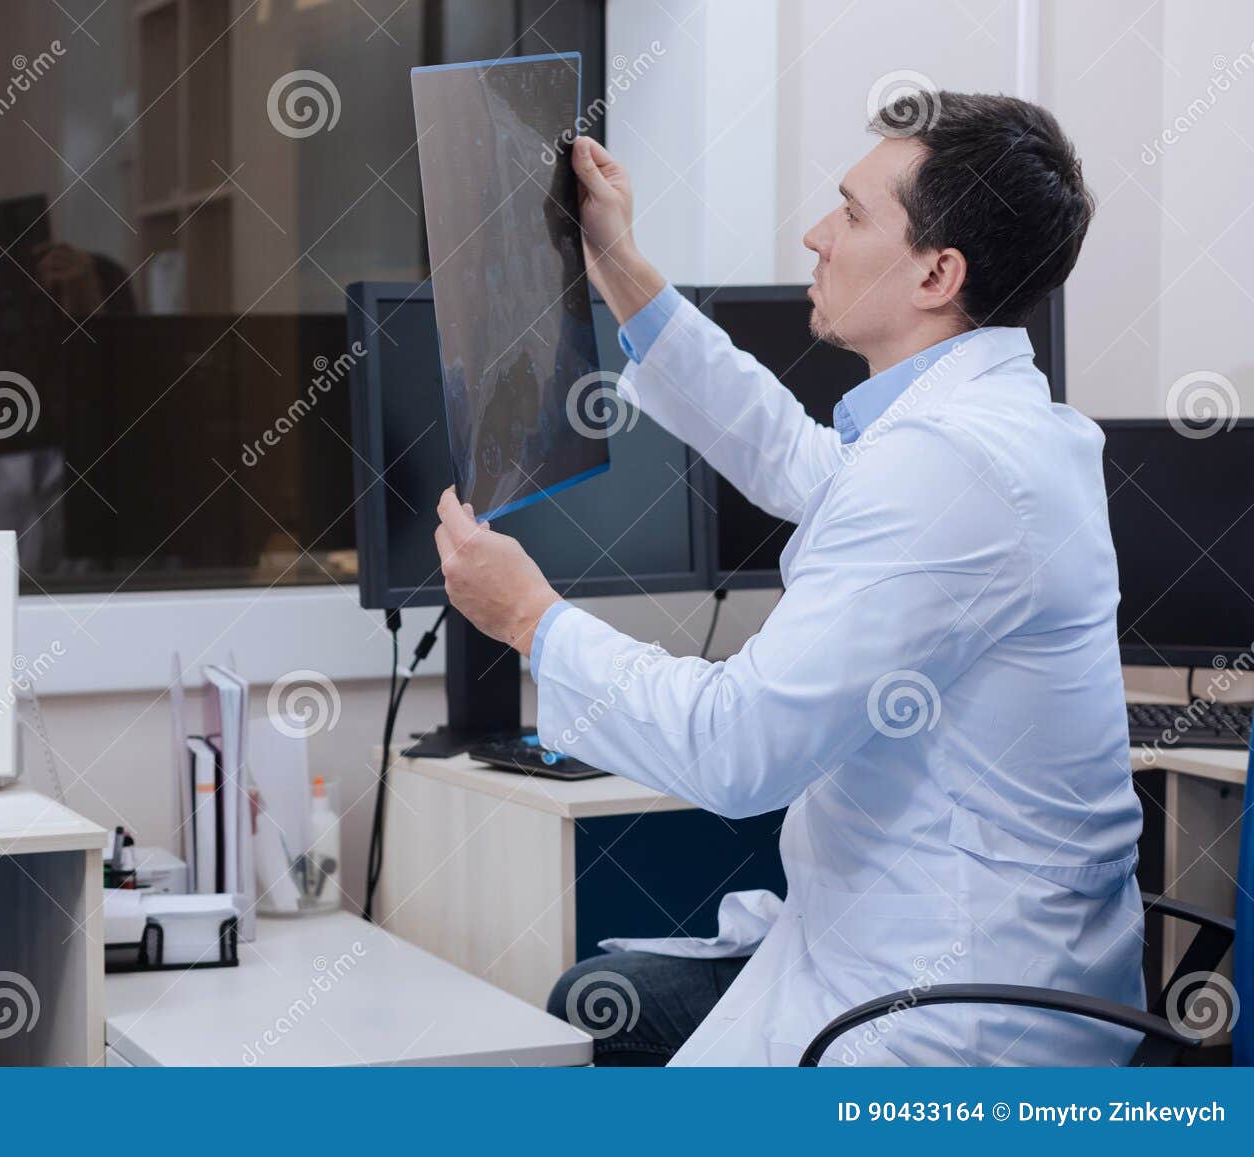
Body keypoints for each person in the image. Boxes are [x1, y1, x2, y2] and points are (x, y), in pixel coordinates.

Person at [433, 92, 1144, 1066]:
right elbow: (790, 457)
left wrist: (532, 620)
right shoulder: (984, 431)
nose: (815, 234)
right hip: (906, 949)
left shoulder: (952, 466)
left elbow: (737, 748)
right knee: (605, 1002)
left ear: (937, 272)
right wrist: (616, 263)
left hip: (953, 1026)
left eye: (850, 215)